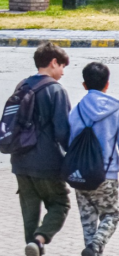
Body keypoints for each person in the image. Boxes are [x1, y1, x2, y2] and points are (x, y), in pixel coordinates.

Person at [11, 43, 71, 256]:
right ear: (53, 62)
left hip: (19, 161)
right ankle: (40, 239)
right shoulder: (55, 90)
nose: (63, 72)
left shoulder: (22, 85)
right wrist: (73, 158)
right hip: (46, 162)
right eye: (62, 66)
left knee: (30, 215)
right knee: (60, 203)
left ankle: (34, 246)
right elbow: (63, 132)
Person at [68, 62, 119, 256]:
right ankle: (95, 246)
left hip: (80, 175)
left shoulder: (76, 110)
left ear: (84, 85)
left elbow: (69, 142)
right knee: (112, 215)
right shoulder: (116, 110)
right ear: (107, 84)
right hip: (106, 175)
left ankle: (91, 247)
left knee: (88, 222)